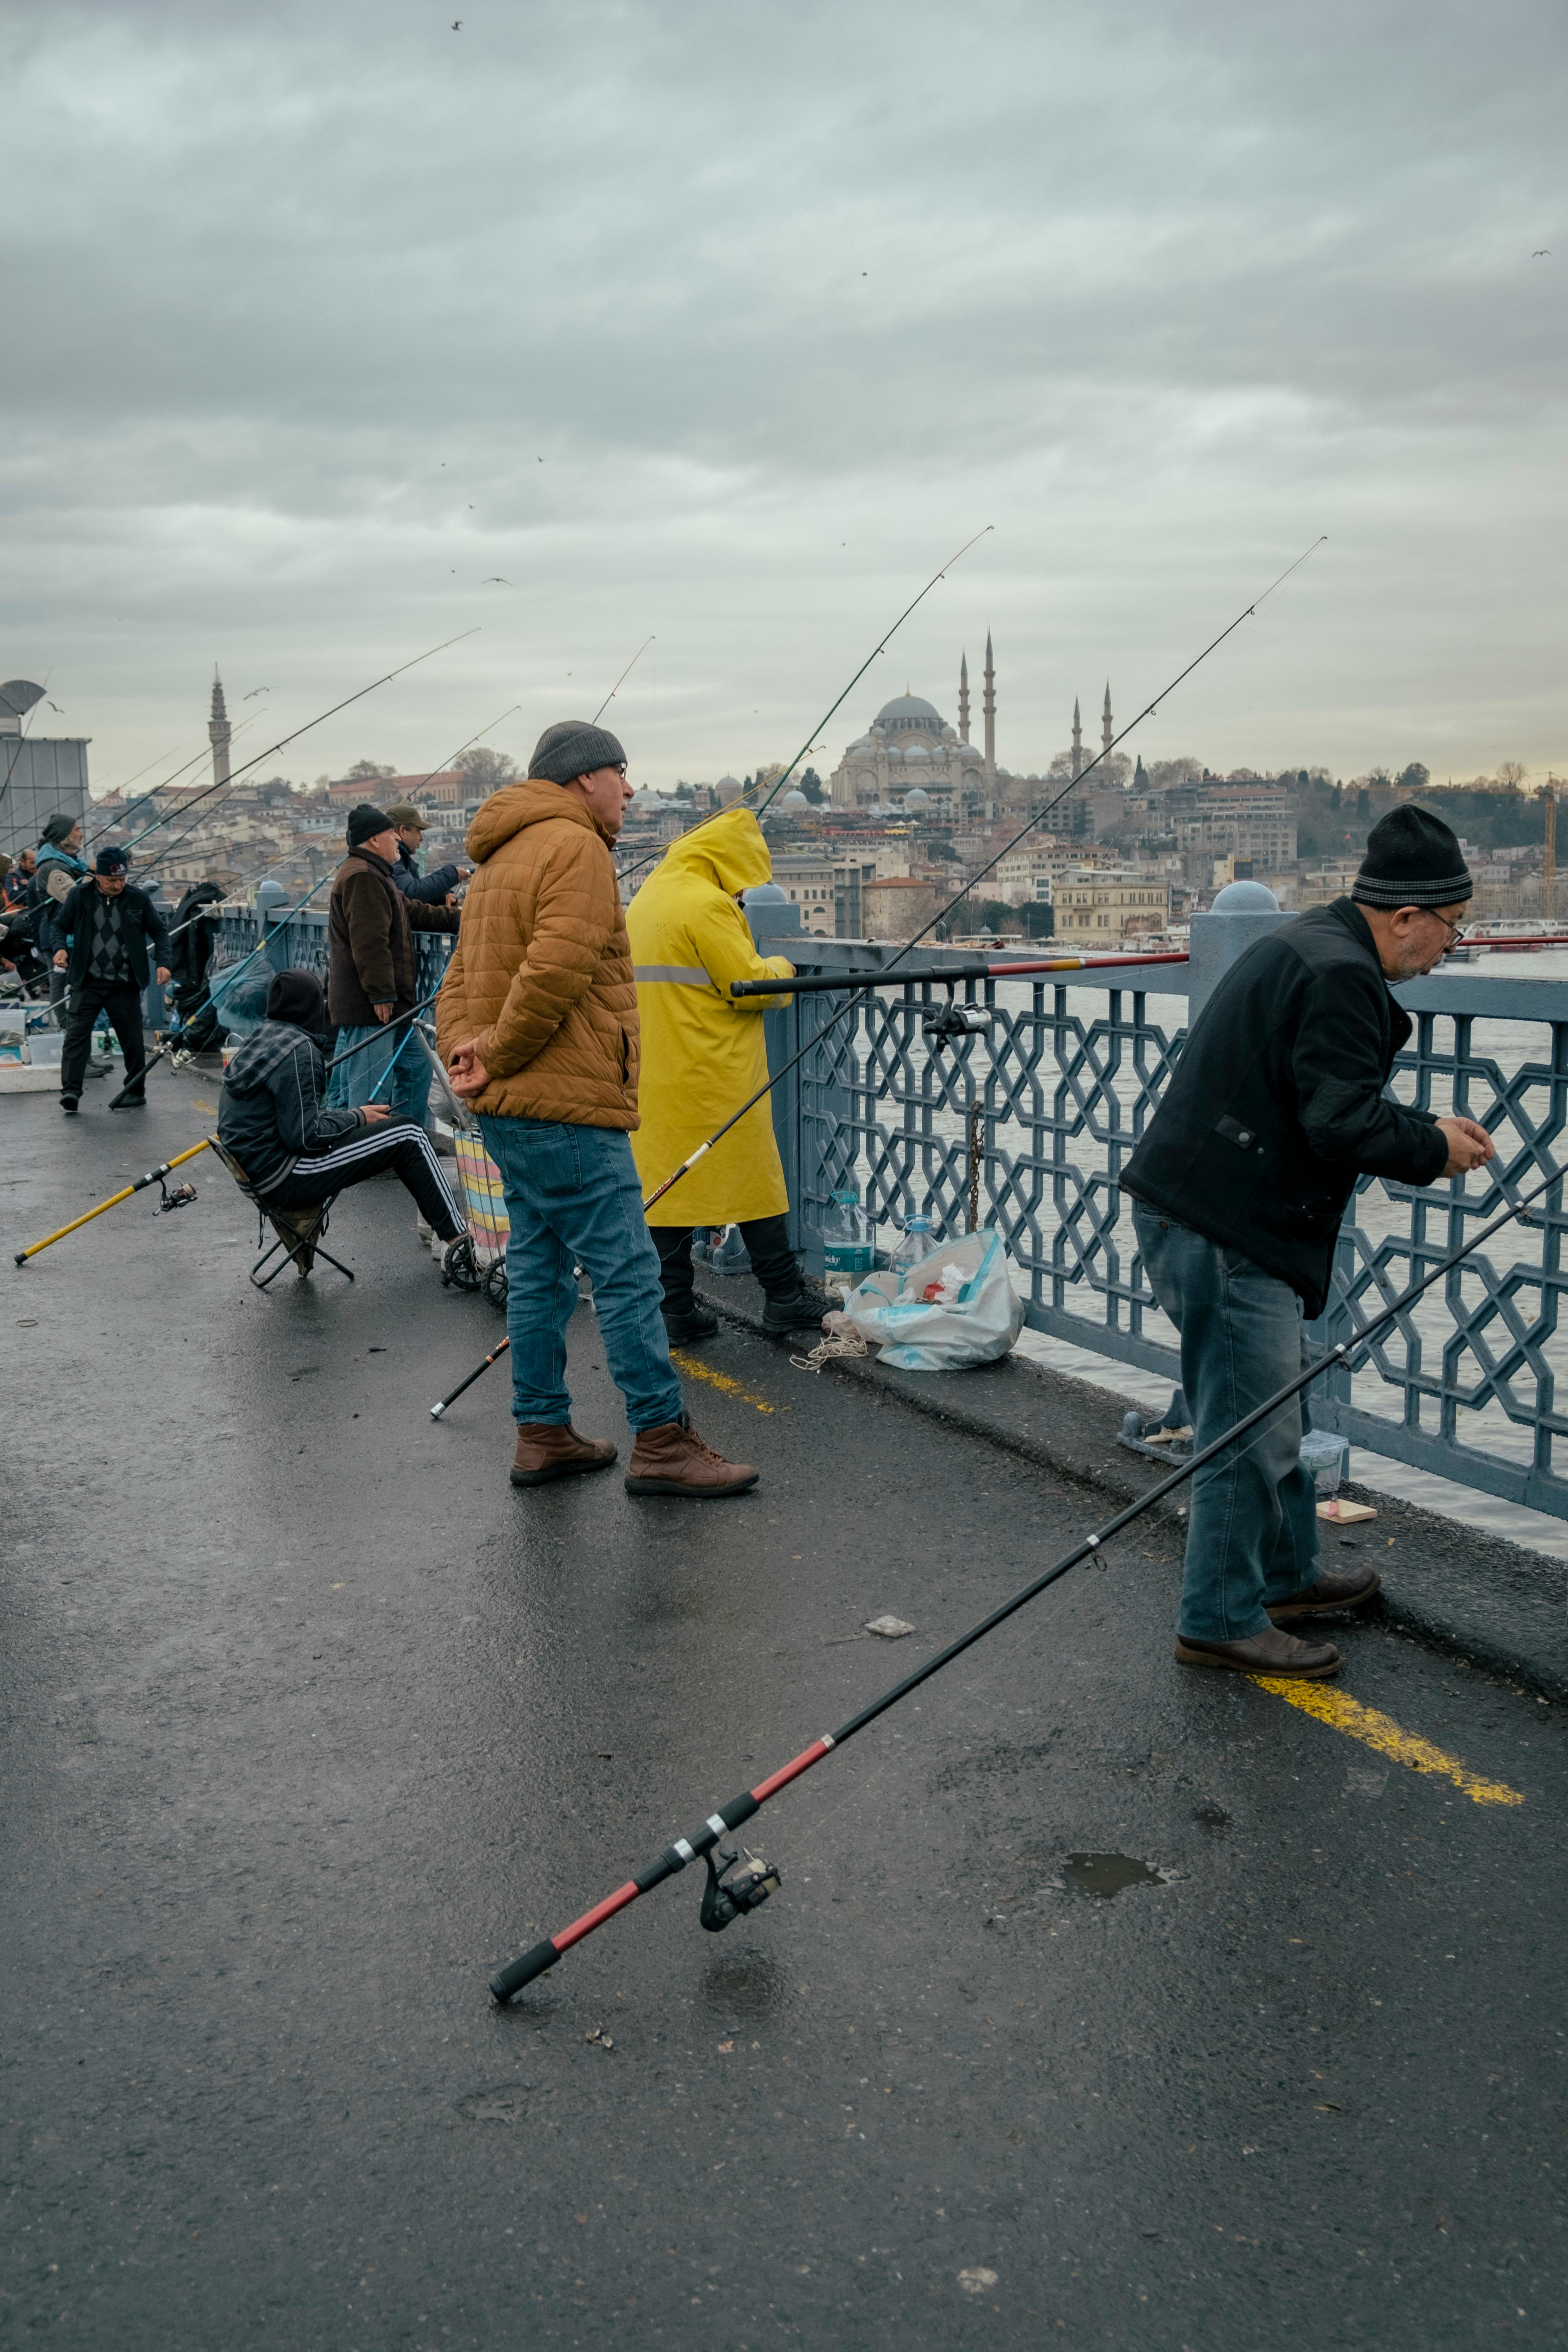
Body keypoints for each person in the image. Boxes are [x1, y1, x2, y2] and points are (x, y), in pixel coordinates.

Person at [1122, 805, 1496, 1683]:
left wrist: (1419, 1124)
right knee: (1245, 1430)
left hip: (1205, 1207)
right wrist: (1431, 1146)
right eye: (1450, 928)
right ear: (1405, 917)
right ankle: (1217, 1616)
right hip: (1226, 1226)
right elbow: (1339, 1124)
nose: (1453, 946)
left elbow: (1314, 1097)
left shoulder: (1315, 942)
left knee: (1272, 1408)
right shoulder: (1343, 977)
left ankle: (1286, 1576)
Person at [437, 719, 758, 1496]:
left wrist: (465, 1058)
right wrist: (502, 1053)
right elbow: (556, 971)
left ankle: (543, 1431)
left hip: (510, 1104)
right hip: (564, 1099)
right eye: (622, 773)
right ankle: (661, 1438)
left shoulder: (500, 855)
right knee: (626, 1270)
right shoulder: (574, 846)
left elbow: (457, 978)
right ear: (586, 778)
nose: (630, 789)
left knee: (543, 1267)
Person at [627, 806, 816, 1340]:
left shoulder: (647, 899)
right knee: (756, 1183)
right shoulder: (705, 904)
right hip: (713, 1070)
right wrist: (782, 968)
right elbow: (749, 985)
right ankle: (784, 1296)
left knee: (668, 1189)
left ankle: (674, 1311)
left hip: (657, 1069)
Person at [219, 968, 470, 1246]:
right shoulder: (298, 1051)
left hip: (256, 1176)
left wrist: (357, 1118)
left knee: (396, 1132)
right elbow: (305, 1137)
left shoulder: (263, 1038)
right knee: (409, 1134)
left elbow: (296, 1120)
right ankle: (459, 1239)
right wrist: (356, 1117)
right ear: (311, 1006)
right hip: (285, 1176)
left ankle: (446, 1231)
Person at [326, 803, 459, 1133]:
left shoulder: (375, 874)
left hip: (394, 1003)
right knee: (370, 1087)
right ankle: (365, 1149)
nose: (395, 841)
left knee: (416, 1067)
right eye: (389, 834)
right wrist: (381, 994)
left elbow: (410, 910)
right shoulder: (363, 876)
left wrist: (464, 919)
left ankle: (404, 1140)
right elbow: (370, 943)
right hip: (375, 1005)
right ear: (374, 840)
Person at [55, 847, 172, 1114]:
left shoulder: (138, 899)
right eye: (112, 881)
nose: (118, 885)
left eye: (123, 880)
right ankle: (71, 1091)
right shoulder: (79, 896)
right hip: (88, 982)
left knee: (132, 1040)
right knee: (76, 1037)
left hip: (124, 983)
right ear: (98, 877)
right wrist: (60, 948)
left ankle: (135, 1091)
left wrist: (164, 963)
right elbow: (59, 925)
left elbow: (160, 932)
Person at [28, 815, 91, 1027]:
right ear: (64, 836)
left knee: (75, 987)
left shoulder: (69, 863)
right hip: (62, 938)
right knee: (62, 984)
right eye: (76, 830)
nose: (81, 834)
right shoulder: (52, 868)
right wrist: (92, 874)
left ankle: (78, 1039)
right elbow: (77, 900)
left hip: (70, 936)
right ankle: (68, 1030)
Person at [384, 802, 468, 906]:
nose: (422, 838)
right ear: (403, 831)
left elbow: (413, 901)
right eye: (418, 831)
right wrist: (451, 874)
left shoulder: (401, 859)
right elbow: (410, 894)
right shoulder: (393, 860)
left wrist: (441, 899)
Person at [3, 845, 35, 910]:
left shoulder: (38, 875)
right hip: (21, 914)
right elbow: (14, 896)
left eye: (35, 863)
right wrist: (35, 891)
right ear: (22, 862)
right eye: (32, 863)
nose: (34, 866)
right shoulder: (13, 877)